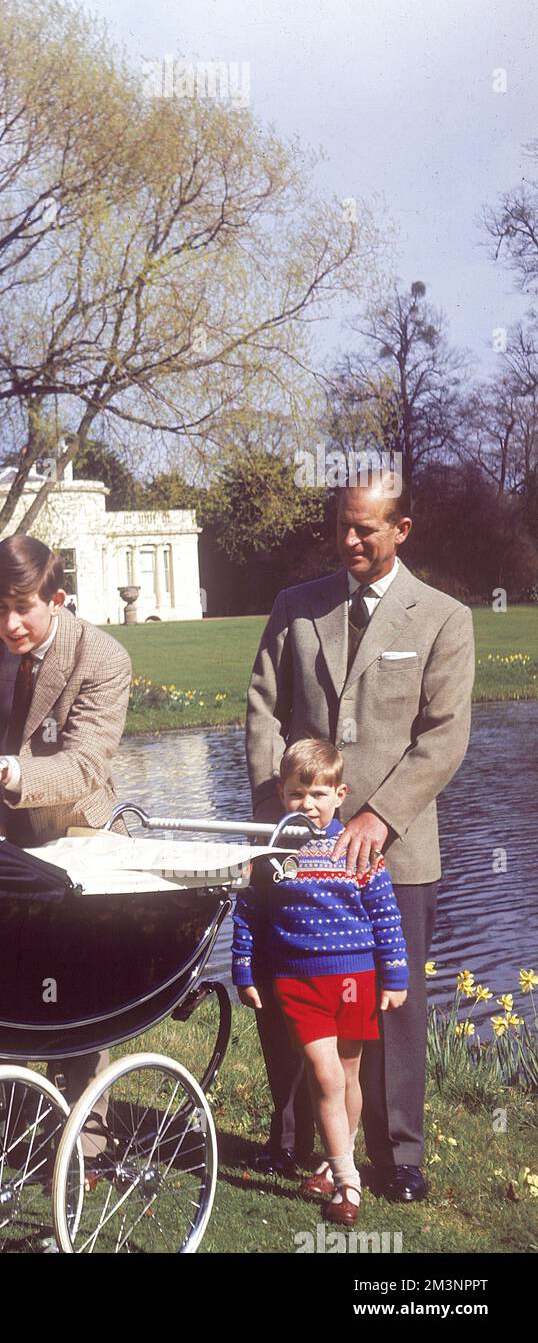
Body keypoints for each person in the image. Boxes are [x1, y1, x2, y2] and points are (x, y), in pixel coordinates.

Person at [245, 472, 474, 1203]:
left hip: (396, 853)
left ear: (401, 530)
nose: (348, 541)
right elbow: (261, 713)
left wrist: (379, 817)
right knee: (290, 995)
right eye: (341, 526)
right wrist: (274, 824)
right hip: (296, 854)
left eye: (365, 530)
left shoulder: (444, 617)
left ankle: (397, 1154)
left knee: (391, 1010)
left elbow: (445, 738)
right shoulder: (295, 607)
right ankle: (289, 1145)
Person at [0, 534, 132, 1167]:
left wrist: (5, 771)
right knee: (5, 977)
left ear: (57, 598)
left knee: (76, 981)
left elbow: (84, 765)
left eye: (23, 608)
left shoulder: (102, 658)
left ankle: (88, 1138)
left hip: (74, 828)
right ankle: (10, 1120)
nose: (10, 624)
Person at [232, 739, 409, 1226]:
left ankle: (331, 1168)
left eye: (317, 794)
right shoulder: (273, 855)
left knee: (348, 1075)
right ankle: (349, 1182)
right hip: (297, 981)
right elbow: (248, 912)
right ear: (281, 795)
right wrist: (243, 969)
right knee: (325, 1074)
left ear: (340, 794)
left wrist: (395, 974)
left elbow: (386, 917)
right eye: (295, 795)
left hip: (354, 980)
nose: (306, 805)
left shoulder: (358, 850)